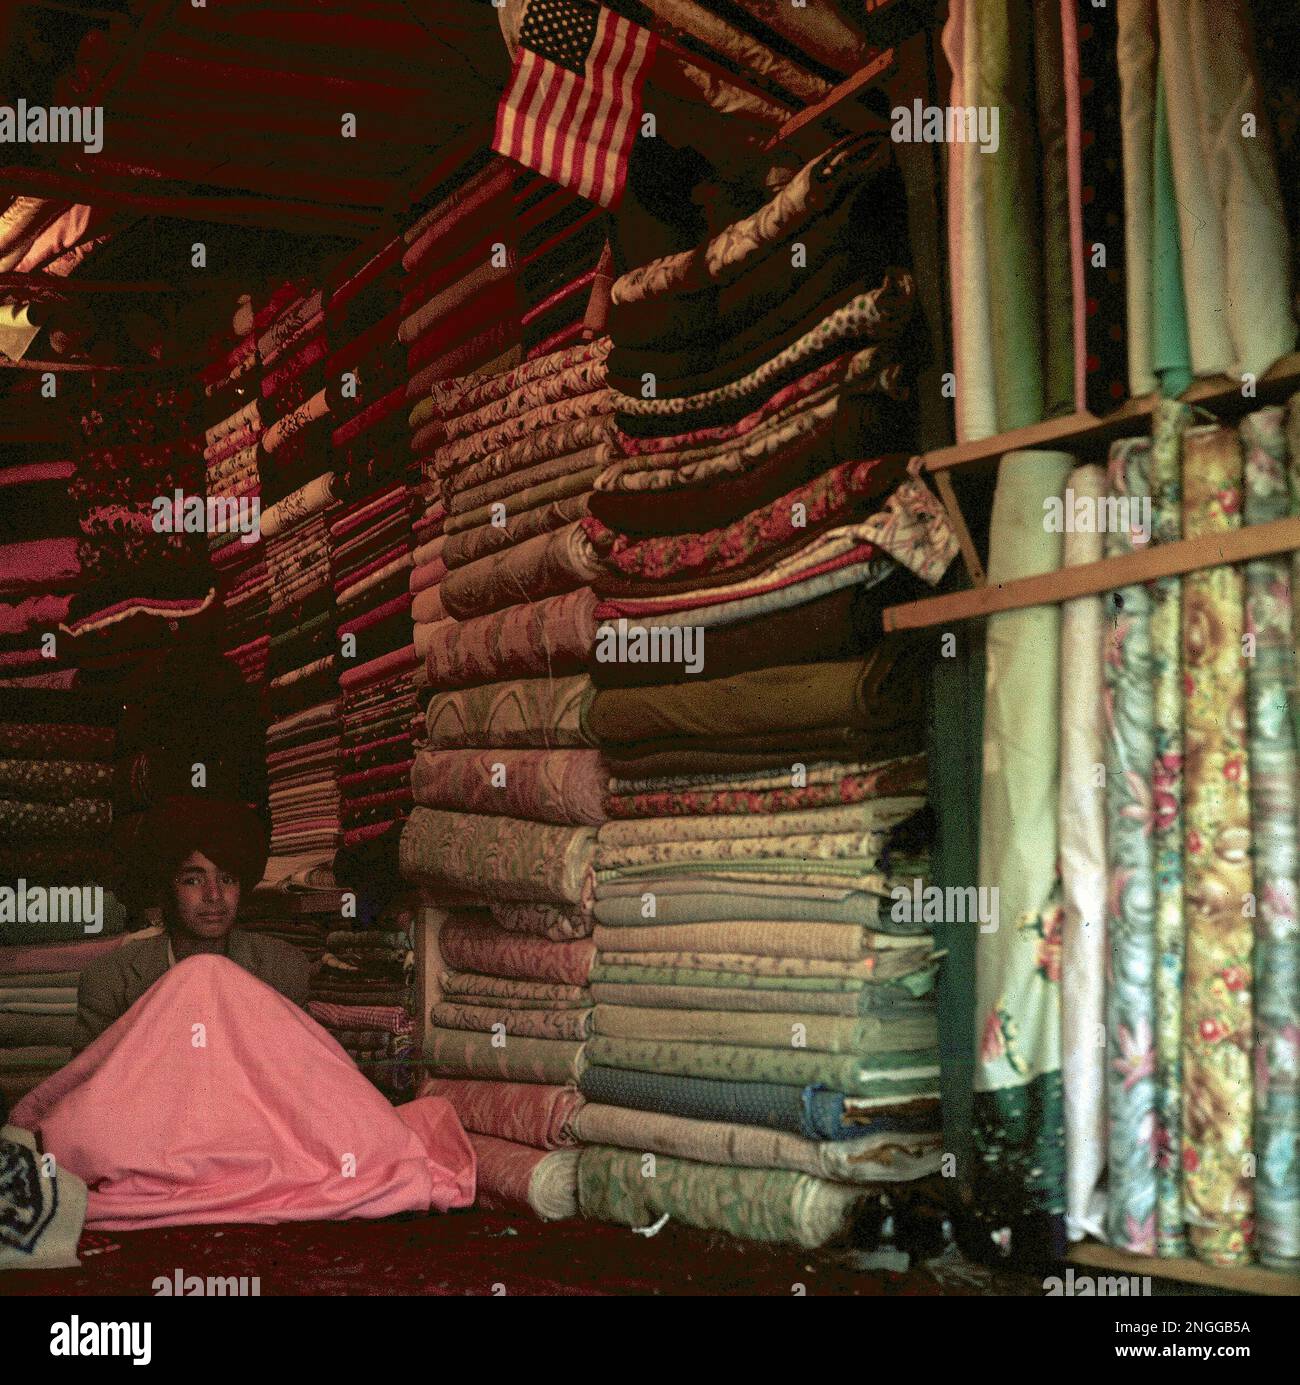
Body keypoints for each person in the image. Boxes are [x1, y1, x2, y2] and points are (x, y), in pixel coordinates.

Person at [71, 796, 309, 1054]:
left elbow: (303, 1079)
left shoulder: (281, 969)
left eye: (227, 879)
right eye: (193, 880)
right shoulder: (111, 980)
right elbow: (89, 1087)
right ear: (166, 889)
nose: (214, 895)